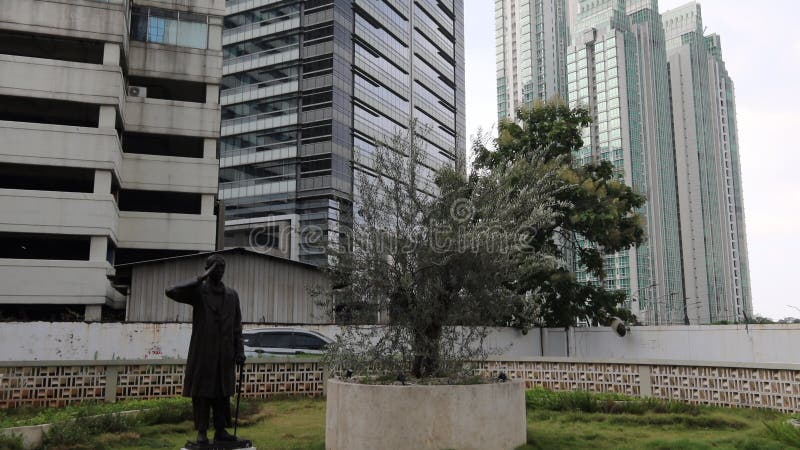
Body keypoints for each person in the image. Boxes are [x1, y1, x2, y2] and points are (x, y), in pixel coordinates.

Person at [166, 254, 246, 444]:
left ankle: (221, 430)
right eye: (216, 268)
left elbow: (237, 327)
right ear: (208, 269)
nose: (220, 271)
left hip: (225, 354)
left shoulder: (232, 295)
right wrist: (200, 278)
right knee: (202, 393)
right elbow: (171, 291)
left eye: (222, 268)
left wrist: (239, 350)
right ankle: (201, 431)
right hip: (203, 352)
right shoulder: (198, 292)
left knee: (222, 393)